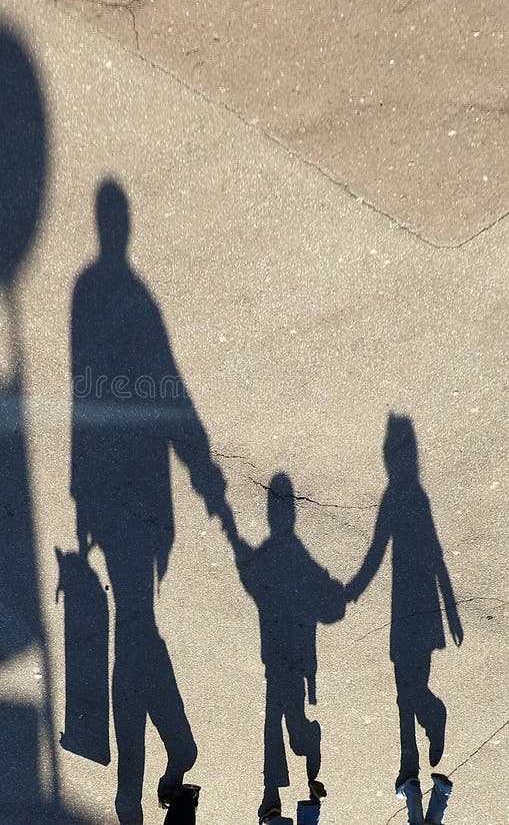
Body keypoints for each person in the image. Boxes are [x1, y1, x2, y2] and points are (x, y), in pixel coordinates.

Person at [70, 180, 225, 823]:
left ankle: (133, 785)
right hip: (122, 500)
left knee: (131, 634)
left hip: (127, 503)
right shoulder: (123, 301)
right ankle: (175, 744)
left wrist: (202, 471)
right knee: (137, 629)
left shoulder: (101, 296)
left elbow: (137, 391)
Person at [346, 414, 463, 821]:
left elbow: (380, 549)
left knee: (407, 683)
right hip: (417, 601)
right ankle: (413, 771)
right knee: (407, 684)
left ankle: (421, 774)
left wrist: (355, 589)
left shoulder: (401, 494)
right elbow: (430, 553)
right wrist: (449, 608)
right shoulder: (411, 495)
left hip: (408, 601)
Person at [218, 473, 344, 824]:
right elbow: (332, 604)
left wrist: (231, 531)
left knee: (275, 718)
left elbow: (247, 569)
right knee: (280, 717)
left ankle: (280, 790)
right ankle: (284, 786)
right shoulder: (298, 560)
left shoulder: (282, 558)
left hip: (281, 657)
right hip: (294, 657)